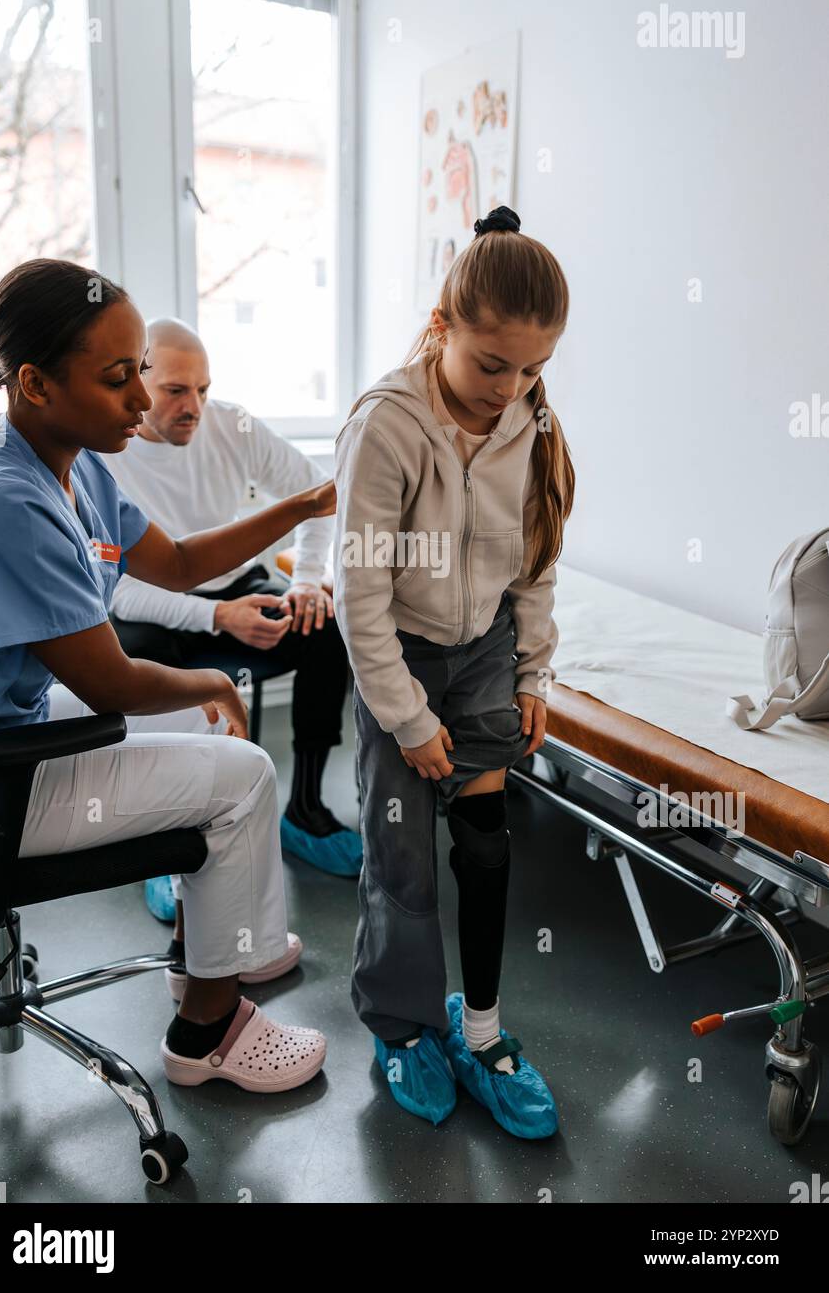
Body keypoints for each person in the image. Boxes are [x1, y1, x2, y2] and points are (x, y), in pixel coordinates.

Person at [0, 258, 335, 1095]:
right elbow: (115, 688)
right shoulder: (3, 500)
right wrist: (211, 680)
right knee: (244, 776)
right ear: (34, 383)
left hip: (4, 726)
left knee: (208, 740)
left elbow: (175, 560)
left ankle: (220, 944)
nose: (141, 400)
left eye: (141, 373)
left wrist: (302, 508)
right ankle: (208, 1030)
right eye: (118, 377)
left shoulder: (73, 456)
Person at [333, 207, 574, 1138]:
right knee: (402, 863)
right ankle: (401, 1028)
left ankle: (481, 1032)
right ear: (442, 328)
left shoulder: (529, 423)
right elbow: (358, 599)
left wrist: (533, 678)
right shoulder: (386, 427)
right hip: (397, 649)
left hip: (483, 657)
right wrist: (404, 718)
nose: (509, 388)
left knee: (484, 845)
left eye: (532, 370)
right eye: (491, 364)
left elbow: (536, 562)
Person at [103, 318, 359, 897]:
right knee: (136, 655)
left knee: (328, 629)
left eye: (204, 389)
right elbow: (116, 590)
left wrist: (310, 582)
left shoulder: (233, 425)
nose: (193, 406)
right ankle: (165, 843)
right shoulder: (107, 454)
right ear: (140, 386)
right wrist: (217, 617)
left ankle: (305, 809)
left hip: (239, 590)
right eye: (175, 391)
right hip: (157, 609)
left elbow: (320, 494)